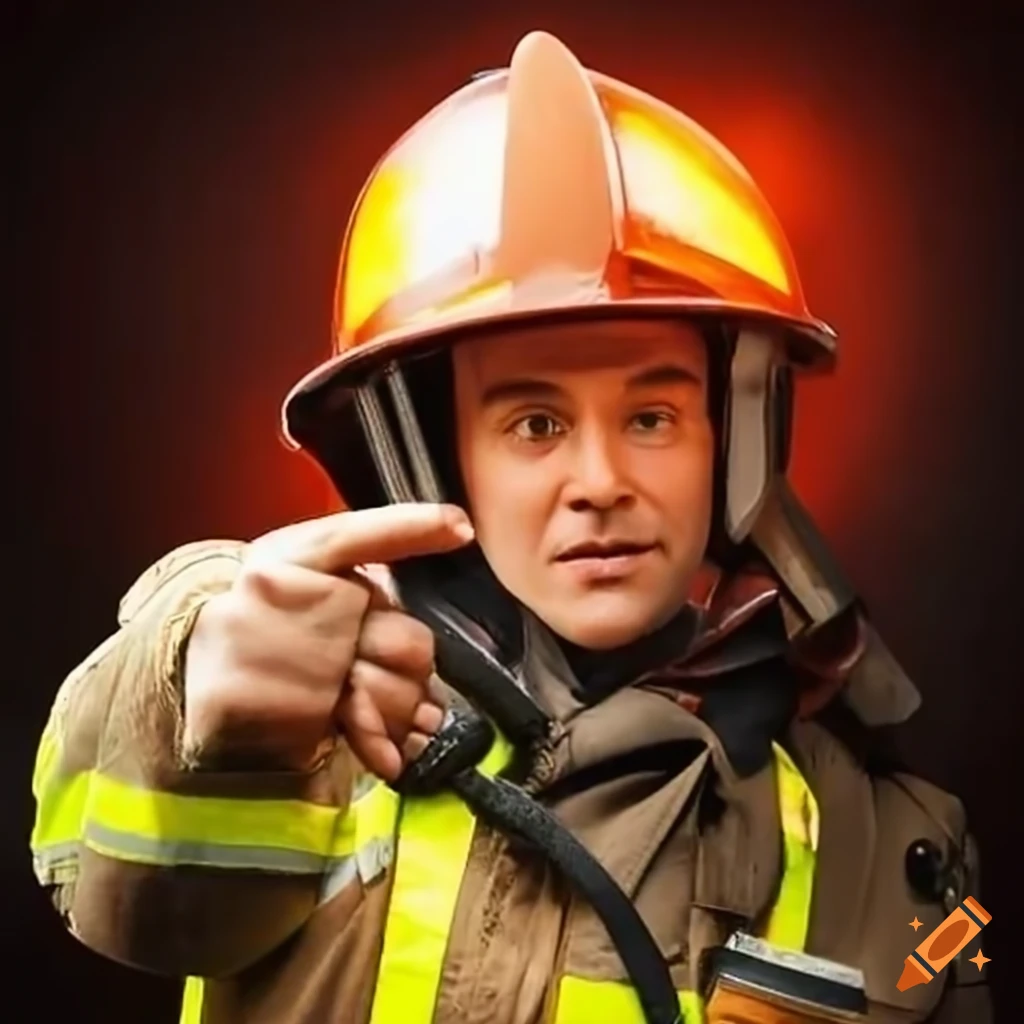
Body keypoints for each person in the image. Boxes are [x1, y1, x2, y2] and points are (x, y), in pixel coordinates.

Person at [29, 30, 992, 1024]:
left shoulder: (869, 844)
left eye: (651, 417)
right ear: (440, 465)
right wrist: (196, 692)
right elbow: (126, 903)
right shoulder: (312, 719)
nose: (600, 481)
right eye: (535, 423)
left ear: (733, 439)